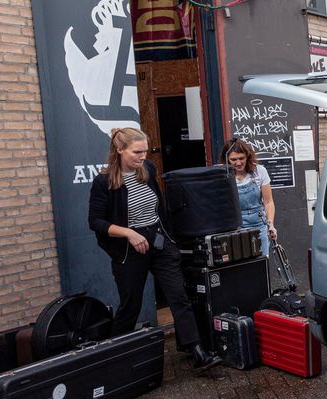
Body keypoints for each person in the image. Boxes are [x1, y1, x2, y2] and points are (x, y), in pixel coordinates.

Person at [88, 127, 219, 370]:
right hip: (128, 248)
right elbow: (95, 222)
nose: (142, 157)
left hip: (158, 241)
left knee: (179, 296)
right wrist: (128, 233)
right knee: (131, 306)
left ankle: (198, 350)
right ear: (119, 150)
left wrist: (168, 238)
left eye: (145, 151)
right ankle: (114, 359)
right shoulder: (104, 182)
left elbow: (159, 206)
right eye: (137, 152)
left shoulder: (147, 169)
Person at [221, 138, 276, 256]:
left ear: (247, 156)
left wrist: (270, 224)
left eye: (242, 158)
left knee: (261, 262)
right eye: (233, 159)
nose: (238, 163)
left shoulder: (259, 171)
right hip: (236, 227)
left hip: (259, 225)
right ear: (227, 160)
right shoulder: (223, 176)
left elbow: (268, 202)